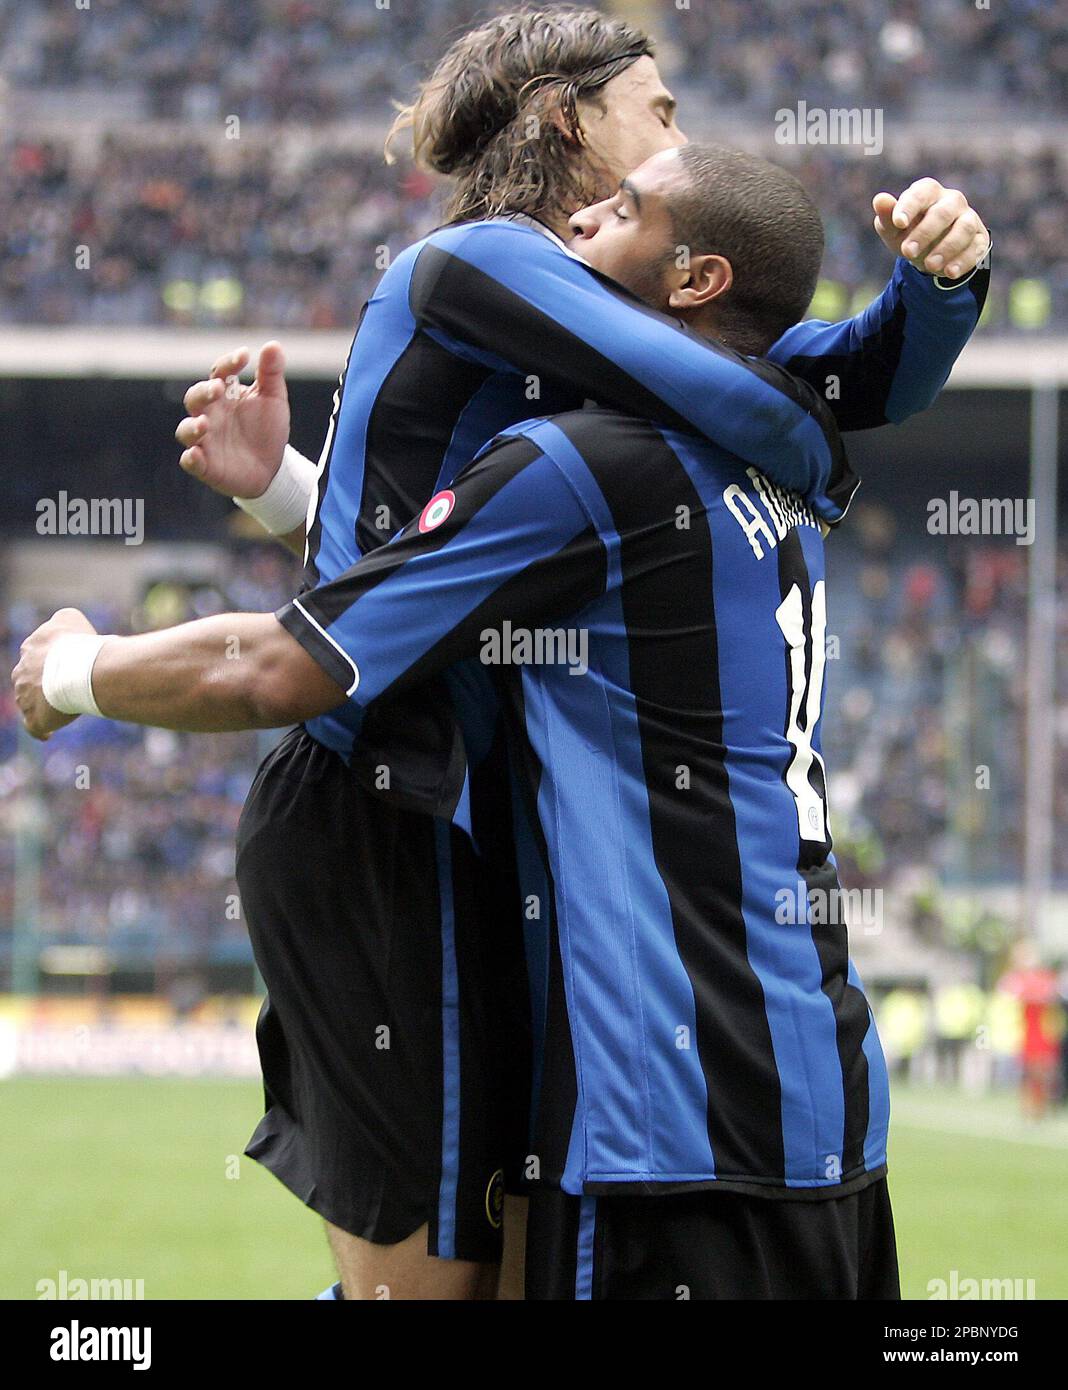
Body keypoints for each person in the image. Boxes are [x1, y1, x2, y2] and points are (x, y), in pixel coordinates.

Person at [168, 10, 988, 1300]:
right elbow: (756, 399)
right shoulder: (481, 262)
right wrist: (820, 456)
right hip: (386, 803)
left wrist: (942, 289)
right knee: (425, 1294)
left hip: (493, 817)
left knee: (508, 1272)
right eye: (658, 113)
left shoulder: (597, 355)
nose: (678, 134)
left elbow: (434, 563)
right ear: (569, 118)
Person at [18, 143, 901, 1297]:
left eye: (622, 211)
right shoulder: (769, 481)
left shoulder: (586, 465)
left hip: (674, 1122)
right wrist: (288, 492)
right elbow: (490, 607)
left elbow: (284, 669)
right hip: (830, 1097)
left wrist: (78, 668)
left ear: (695, 279)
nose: (578, 223)